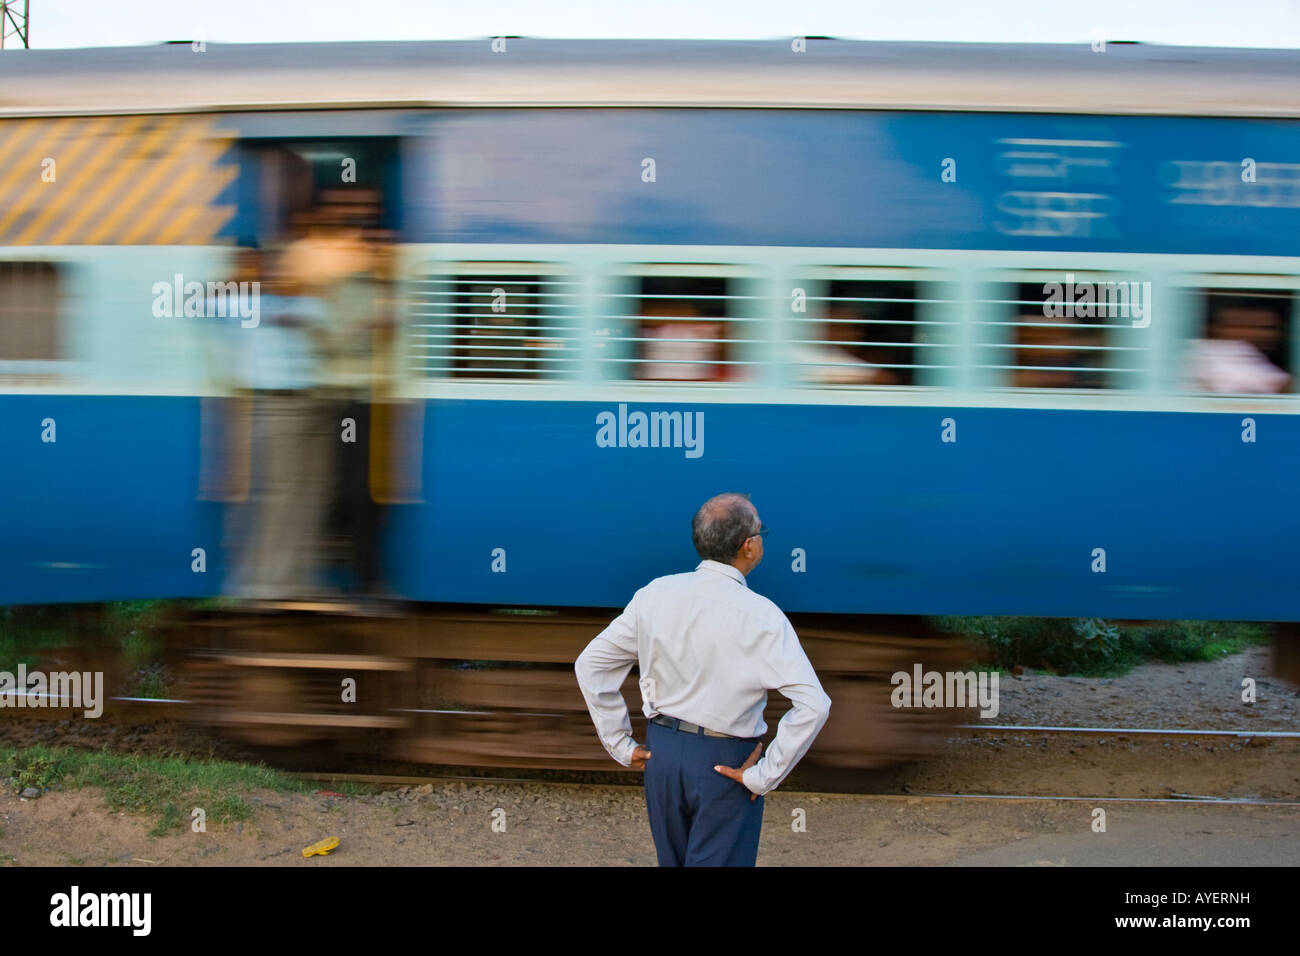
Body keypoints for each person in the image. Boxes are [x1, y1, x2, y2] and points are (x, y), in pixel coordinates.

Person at [574, 493, 832, 866]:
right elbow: (814, 704)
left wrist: (620, 743)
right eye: (761, 532)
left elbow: (591, 664)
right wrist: (762, 776)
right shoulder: (763, 616)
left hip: (661, 754)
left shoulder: (655, 594)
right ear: (748, 547)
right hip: (724, 764)